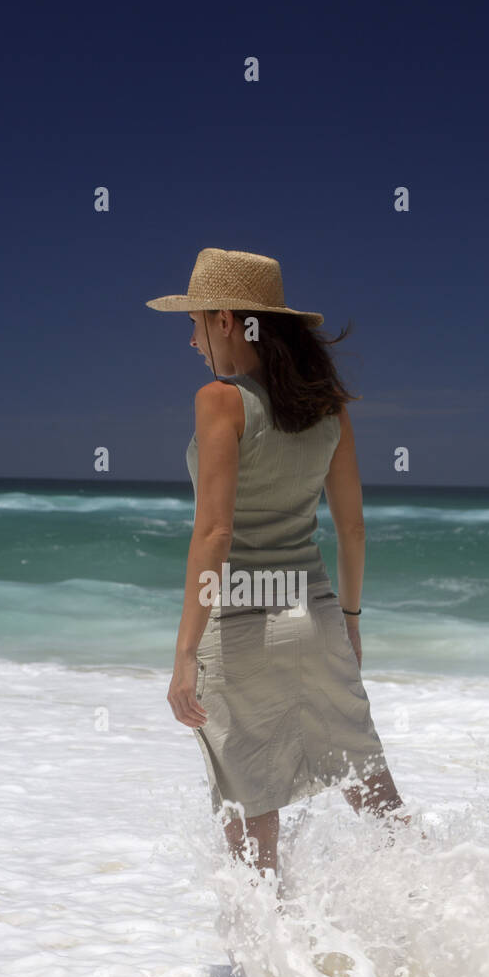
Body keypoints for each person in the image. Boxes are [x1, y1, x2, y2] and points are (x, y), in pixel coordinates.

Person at [147, 248, 411, 894]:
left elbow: (213, 533)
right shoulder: (329, 408)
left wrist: (184, 653)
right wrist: (348, 620)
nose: (191, 339)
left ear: (229, 321)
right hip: (315, 615)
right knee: (377, 800)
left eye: (197, 322)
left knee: (251, 814)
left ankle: (269, 975)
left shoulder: (220, 401)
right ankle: (467, 919)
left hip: (237, 626)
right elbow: (352, 528)